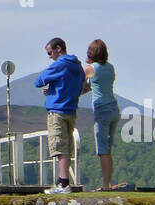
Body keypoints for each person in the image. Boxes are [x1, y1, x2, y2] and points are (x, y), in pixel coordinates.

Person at [34, 37, 83, 194]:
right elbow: (75, 85)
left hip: (57, 110)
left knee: (59, 147)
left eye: (50, 52)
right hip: (71, 109)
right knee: (67, 147)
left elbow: (39, 80)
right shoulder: (77, 65)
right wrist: (54, 89)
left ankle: (63, 183)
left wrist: (50, 86)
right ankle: (62, 181)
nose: (49, 56)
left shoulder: (60, 64)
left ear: (58, 49)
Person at [83, 39, 123, 190]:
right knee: (108, 148)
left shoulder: (90, 68)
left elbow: (82, 86)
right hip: (114, 108)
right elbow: (97, 85)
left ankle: (106, 185)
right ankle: (108, 183)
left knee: (102, 150)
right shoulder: (110, 67)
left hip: (102, 110)